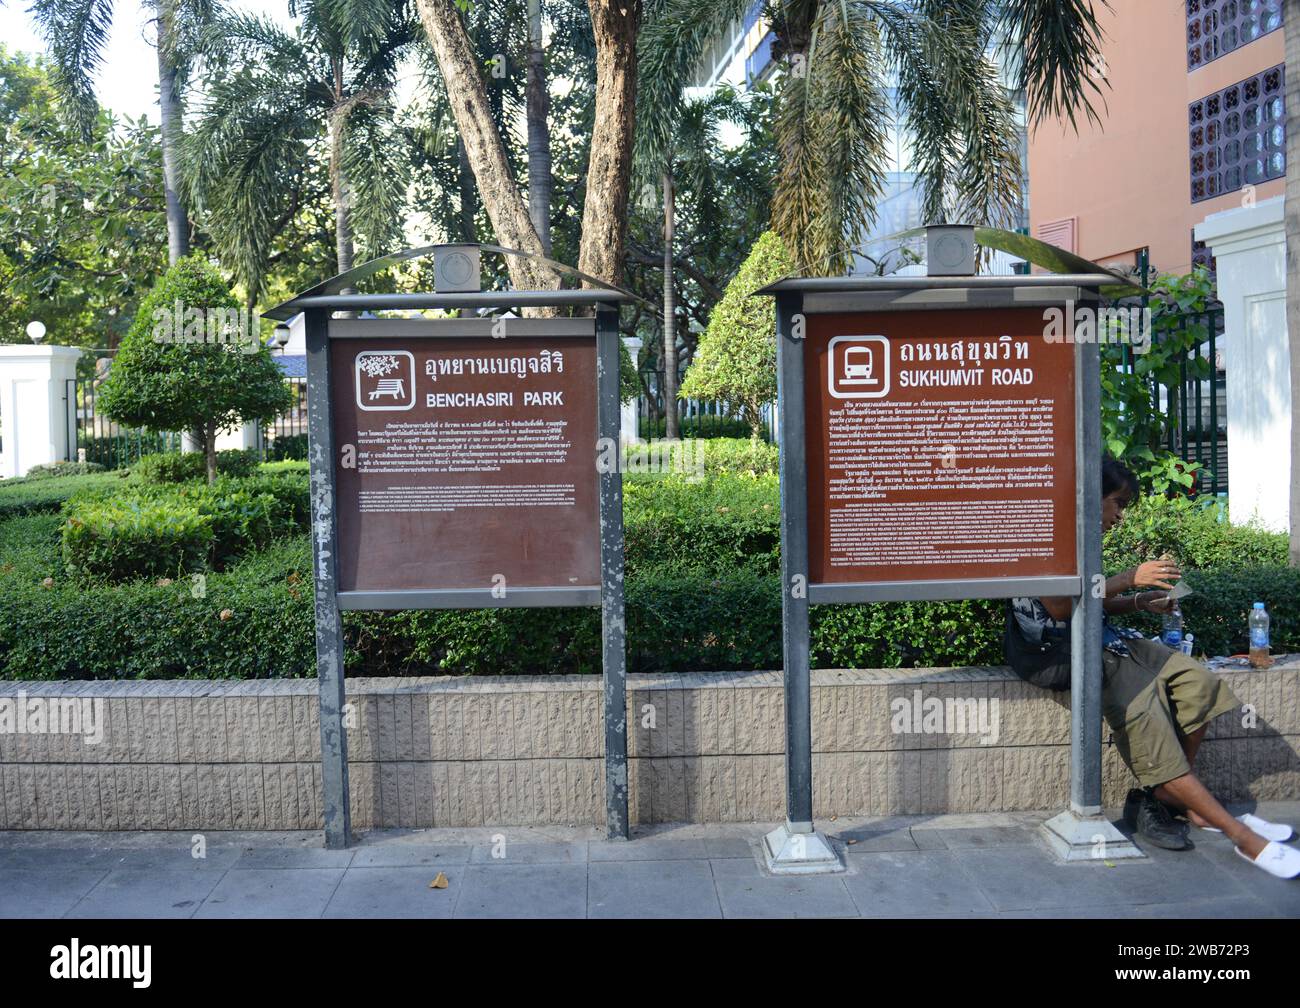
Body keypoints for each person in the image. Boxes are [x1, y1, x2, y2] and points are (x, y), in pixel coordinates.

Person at [1004, 457, 1299, 879]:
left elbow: (1090, 603)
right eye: (1117, 503)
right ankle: (1242, 838)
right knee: (1150, 715)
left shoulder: (1082, 535)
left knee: (1198, 683)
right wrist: (1128, 579)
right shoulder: (1045, 534)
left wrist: (1142, 602)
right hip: (1061, 656)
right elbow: (1058, 606)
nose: (1119, 516)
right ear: (1091, 498)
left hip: (1103, 638)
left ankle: (1175, 800)